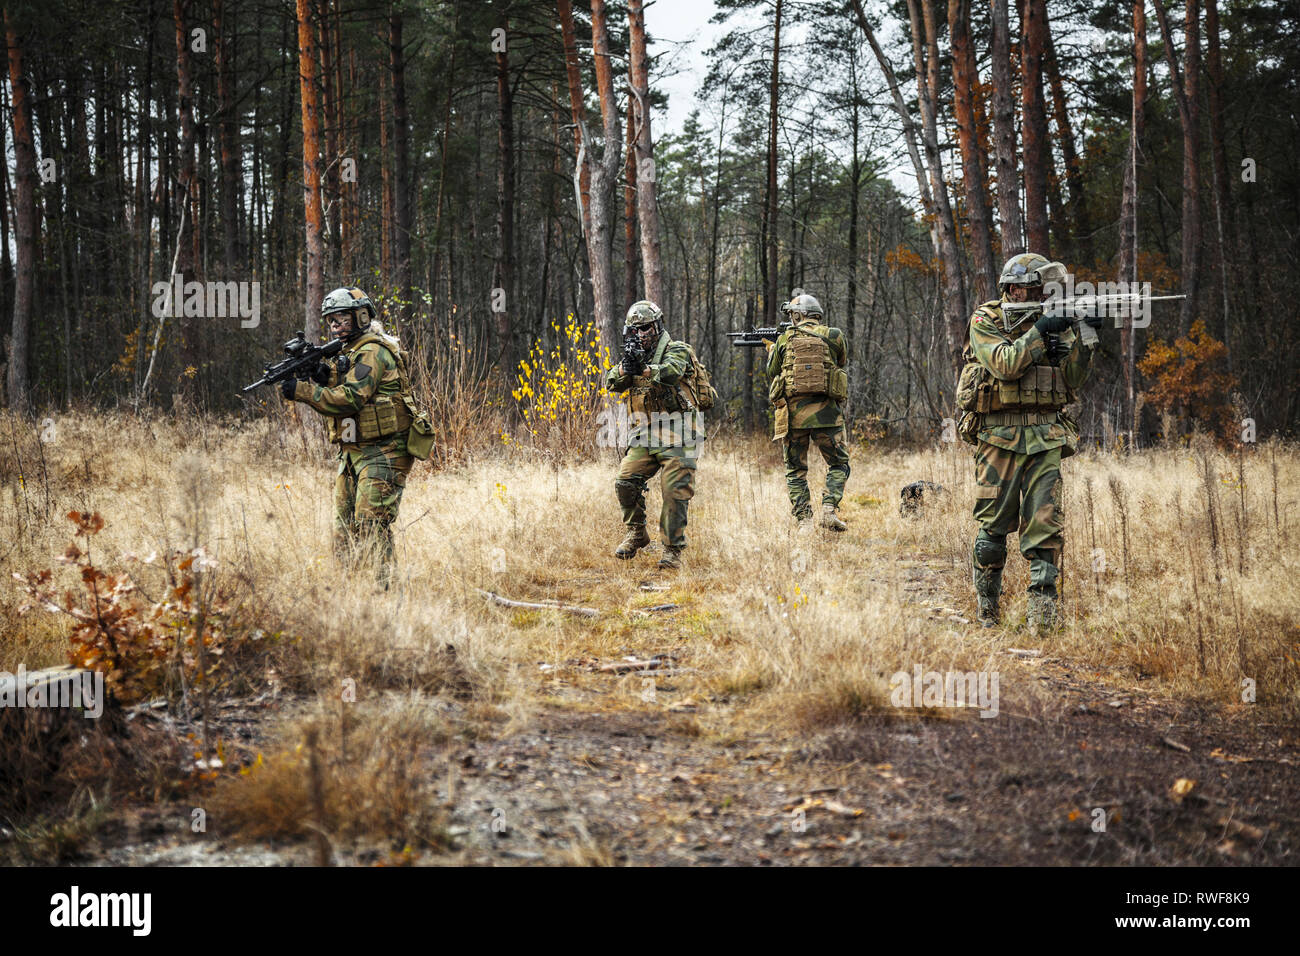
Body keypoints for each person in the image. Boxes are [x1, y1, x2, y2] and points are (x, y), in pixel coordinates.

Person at [963, 253, 1100, 632]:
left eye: (1045, 289)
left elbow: (1073, 380)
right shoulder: (985, 320)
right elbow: (1004, 364)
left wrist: (1086, 338)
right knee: (992, 529)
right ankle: (987, 613)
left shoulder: (1055, 318)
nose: (1043, 294)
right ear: (1014, 287)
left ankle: (1042, 621)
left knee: (1045, 528)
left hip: (1046, 438)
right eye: (1036, 287)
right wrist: (1041, 330)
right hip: (999, 439)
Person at [281, 287, 417, 586]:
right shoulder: (349, 352)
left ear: (361, 316)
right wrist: (321, 374)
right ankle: (349, 593)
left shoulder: (373, 351)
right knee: (344, 527)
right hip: (354, 450)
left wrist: (303, 391)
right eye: (331, 321)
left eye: (341, 319)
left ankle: (386, 590)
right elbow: (342, 381)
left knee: (372, 523)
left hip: (385, 451)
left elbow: (352, 397)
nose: (335, 326)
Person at [604, 300, 708, 570]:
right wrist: (626, 368)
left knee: (674, 492)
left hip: (680, 432)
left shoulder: (677, 349)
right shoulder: (635, 353)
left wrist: (646, 369)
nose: (641, 334)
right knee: (625, 480)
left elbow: (672, 371)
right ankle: (637, 533)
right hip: (647, 432)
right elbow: (611, 382)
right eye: (635, 330)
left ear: (658, 326)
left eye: (646, 328)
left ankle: (672, 550)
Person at [765, 292, 851, 531]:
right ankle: (828, 510)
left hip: (793, 417)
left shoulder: (784, 339)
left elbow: (773, 372)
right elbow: (841, 361)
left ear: (797, 315)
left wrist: (772, 351)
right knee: (839, 464)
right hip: (828, 415)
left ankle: (804, 521)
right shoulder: (834, 335)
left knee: (795, 470)